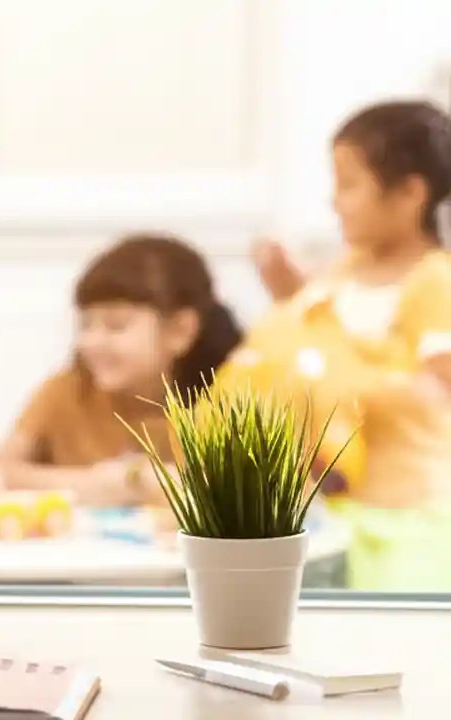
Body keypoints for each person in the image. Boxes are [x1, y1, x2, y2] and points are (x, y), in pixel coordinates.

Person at [216, 100, 451, 590]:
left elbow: (435, 389)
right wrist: (287, 290)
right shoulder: (342, 271)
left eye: (348, 186)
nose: (335, 201)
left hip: (400, 514)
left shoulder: (433, 282)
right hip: (325, 503)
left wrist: (356, 384)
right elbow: (312, 338)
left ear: (409, 193)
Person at [0, 234, 243, 515]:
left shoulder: (221, 401)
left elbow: (233, 496)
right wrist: (116, 485)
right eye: (86, 325)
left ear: (181, 330)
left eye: (115, 325)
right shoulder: (67, 391)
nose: (90, 342)